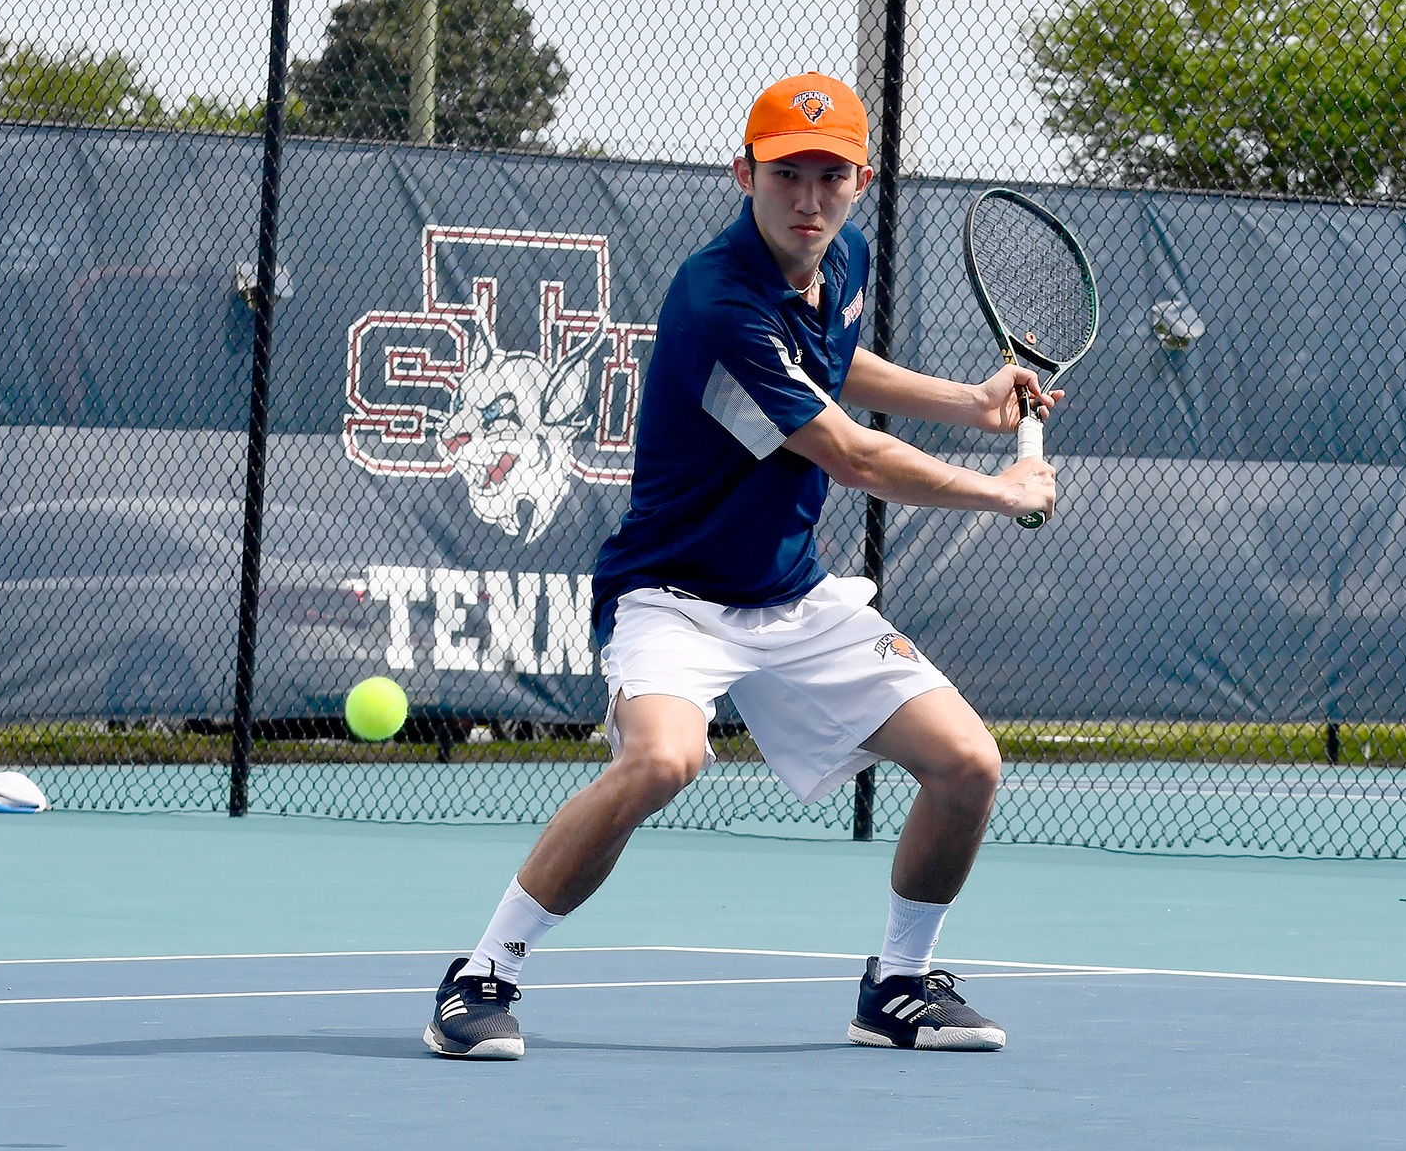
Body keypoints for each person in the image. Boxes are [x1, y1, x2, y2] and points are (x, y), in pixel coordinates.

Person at [424, 71, 1058, 1060]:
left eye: (829, 176)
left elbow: (833, 359)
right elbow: (850, 454)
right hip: (670, 596)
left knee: (967, 764)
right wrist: (1002, 487)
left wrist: (969, 404)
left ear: (859, 179)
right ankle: (482, 974)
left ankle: (895, 985)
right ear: (743, 174)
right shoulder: (714, 298)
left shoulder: (835, 258)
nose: (808, 200)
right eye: (785, 177)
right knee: (663, 759)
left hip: (789, 591)